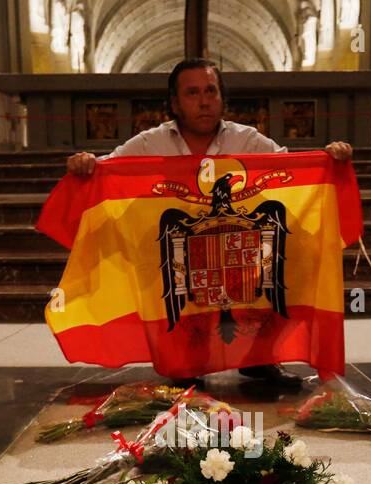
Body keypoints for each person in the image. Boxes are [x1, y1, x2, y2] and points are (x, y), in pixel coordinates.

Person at [66, 58, 354, 387]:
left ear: (222, 97)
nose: (204, 101)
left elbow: (294, 172)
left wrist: (328, 159)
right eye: (192, 93)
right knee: (159, 262)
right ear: (174, 103)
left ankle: (259, 358)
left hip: (242, 252)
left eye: (210, 91)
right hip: (180, 257)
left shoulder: (247, 140)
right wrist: (86, 163)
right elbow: (108, 170)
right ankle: (184, 360)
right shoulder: (149, 143)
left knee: (287, 259)